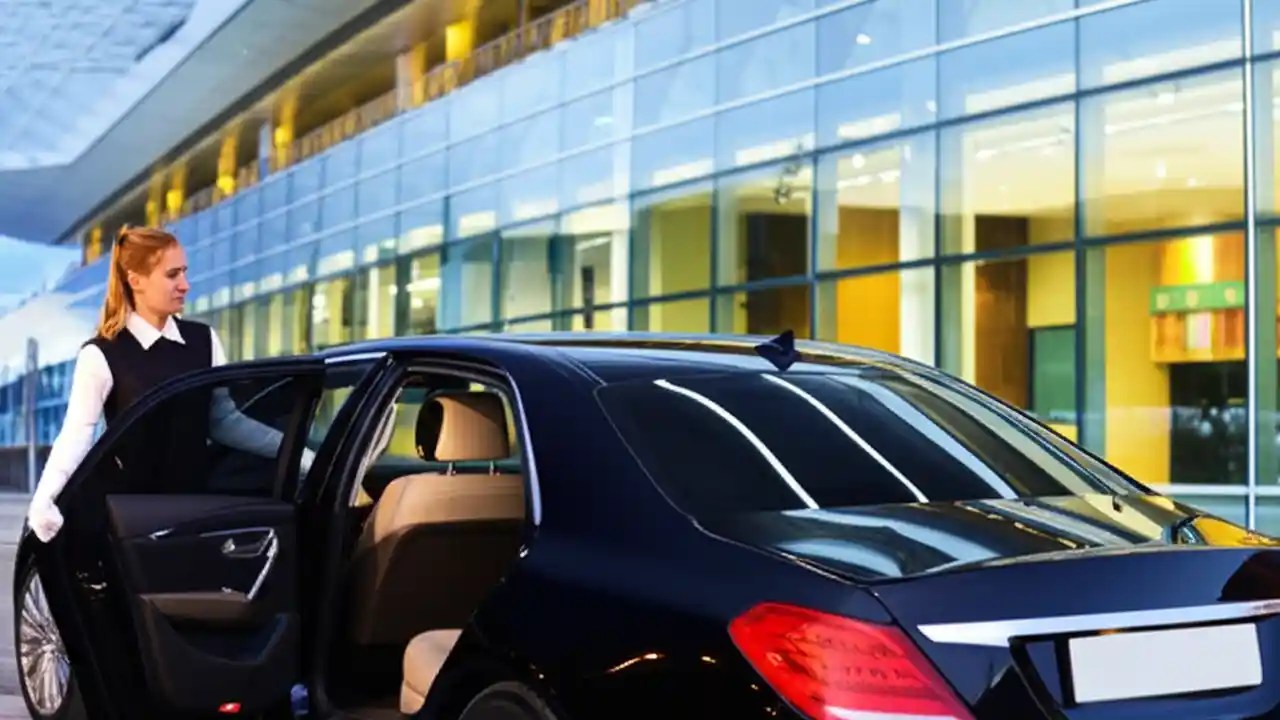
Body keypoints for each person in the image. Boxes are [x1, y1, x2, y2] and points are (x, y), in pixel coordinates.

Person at [26, 225, 311, 543]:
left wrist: (298, 454)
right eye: (172, 275)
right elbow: (77, 434)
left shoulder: (204, 340)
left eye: (185, 273)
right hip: (131, 518)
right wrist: (44, 499)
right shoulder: (102, 353)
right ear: (136, 280)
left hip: (196, 508)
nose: (185, 285)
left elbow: (224, 421)